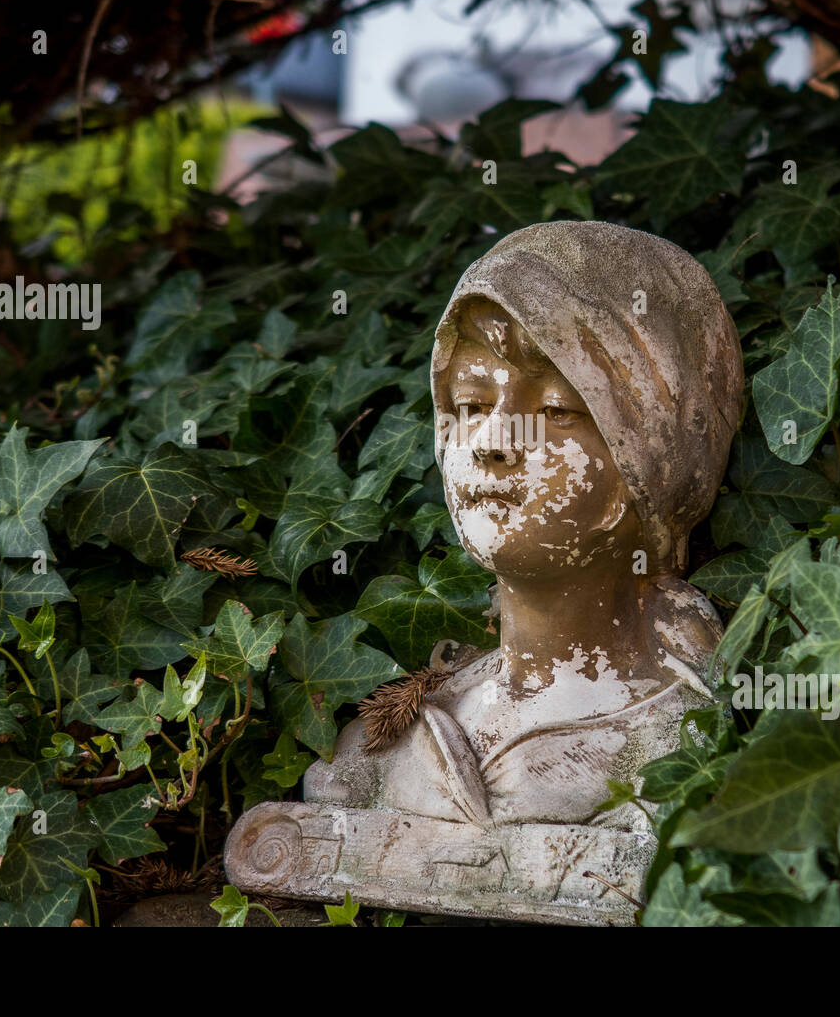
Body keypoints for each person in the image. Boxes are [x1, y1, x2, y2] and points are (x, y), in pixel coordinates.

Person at [304, 220, 745, 828]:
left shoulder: (705, 746)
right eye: (471, 405)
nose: (492, 441)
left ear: (655, 460)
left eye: (558, 410)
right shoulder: (377, 756)